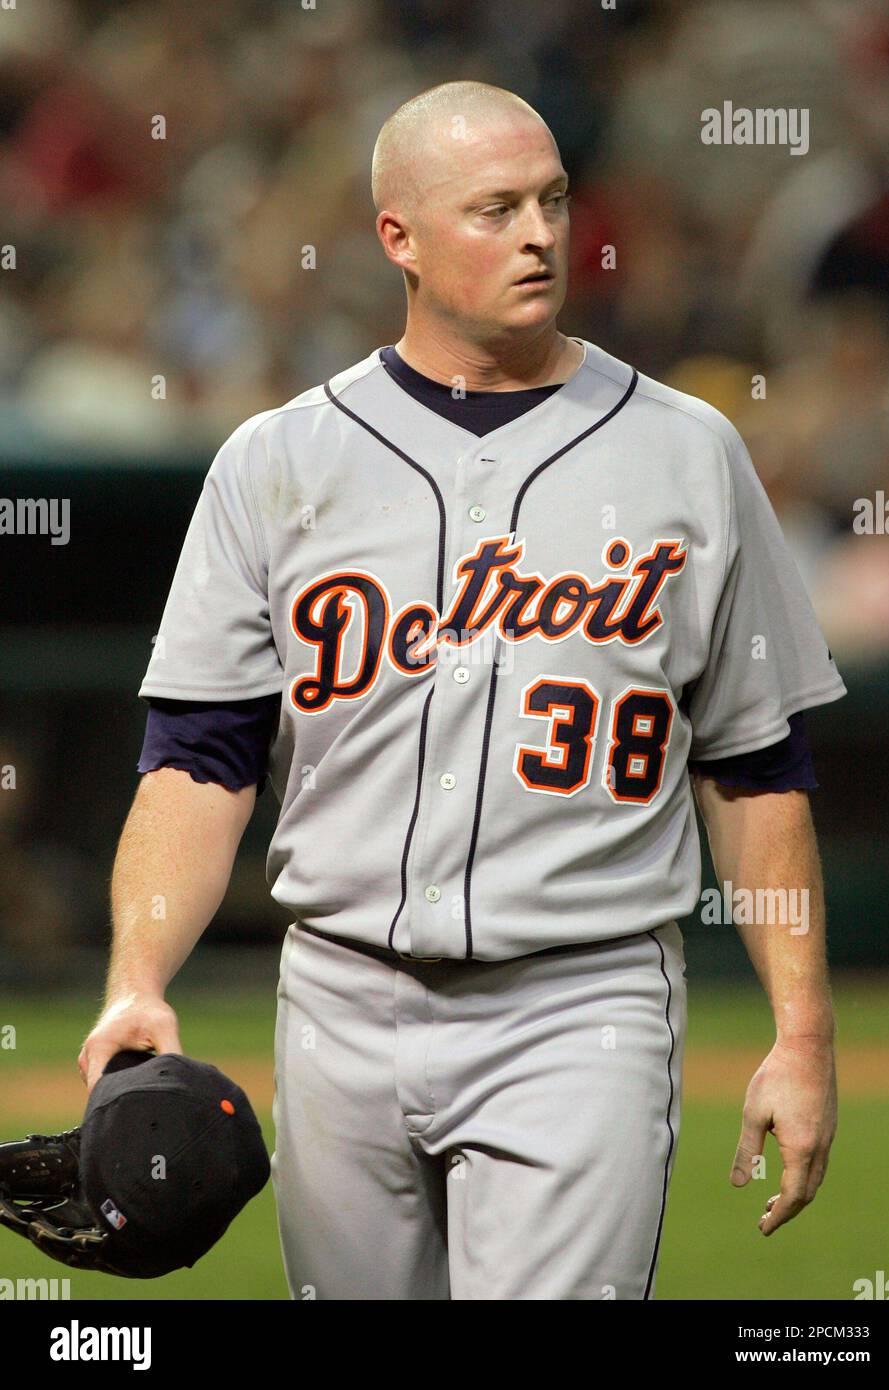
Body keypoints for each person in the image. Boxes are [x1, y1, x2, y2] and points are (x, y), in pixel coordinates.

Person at [79, 81, 845, 1300]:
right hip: (337, 991)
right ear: (400, 238)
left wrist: (800, 1035)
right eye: (494, 208)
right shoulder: (280, 461)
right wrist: (137, 978)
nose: (541, 233)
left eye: (550, 200)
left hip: (580, 997)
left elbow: (753, 768)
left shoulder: (686, 450)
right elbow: (199, 758)